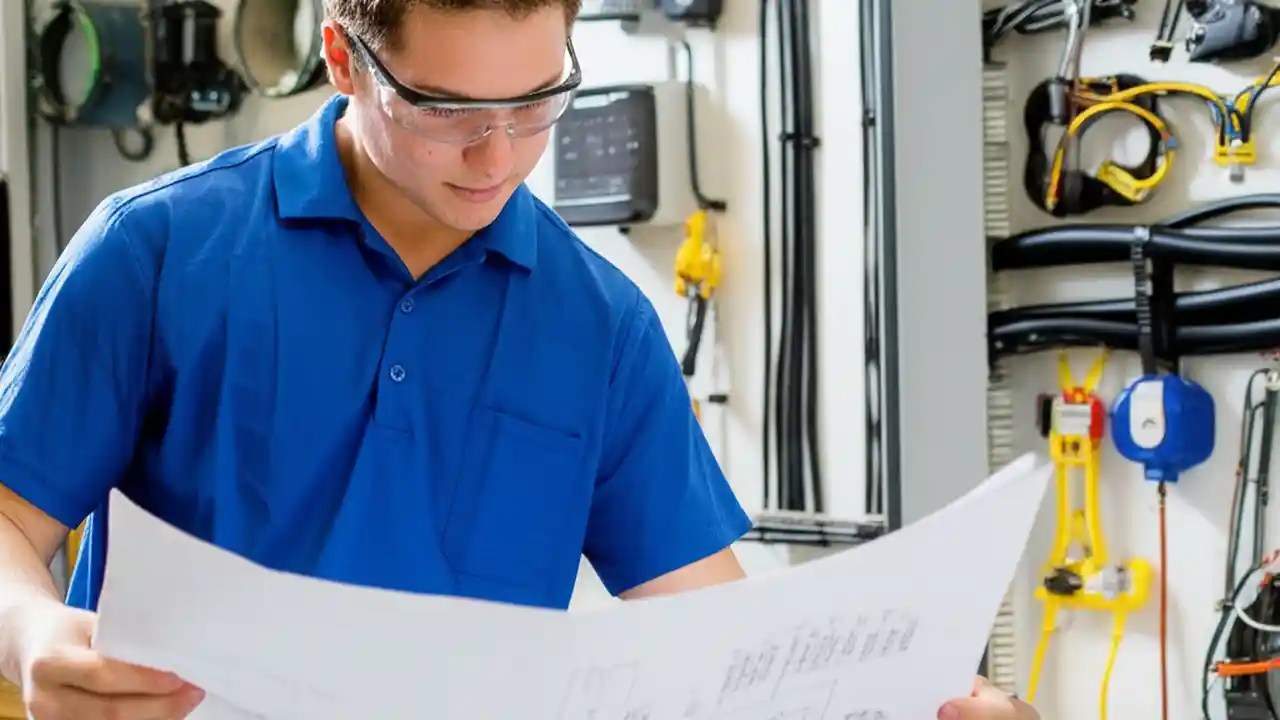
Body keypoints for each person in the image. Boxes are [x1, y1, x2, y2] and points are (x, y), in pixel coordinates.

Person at [0, 1, 1040, 718]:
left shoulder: (599, 327)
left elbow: (719, 644)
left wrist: (916, 696)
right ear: (342, 58)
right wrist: (38, 637)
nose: (497, 156)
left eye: (536, 102)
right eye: (448, 111)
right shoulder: (160, 251)